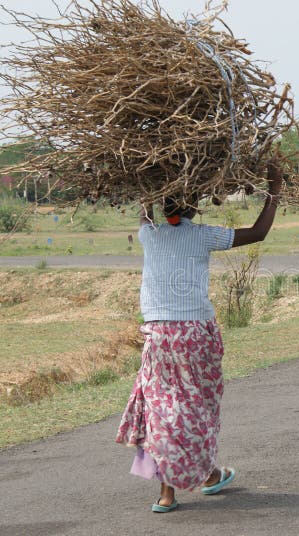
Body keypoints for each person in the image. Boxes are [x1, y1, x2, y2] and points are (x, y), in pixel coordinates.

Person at [115, 158, 283, 513]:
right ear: (194, 206)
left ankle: (171, 492)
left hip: (159, 335)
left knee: (163, 409)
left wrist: (146, 179)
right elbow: (258, 233)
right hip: (194, 335)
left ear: (163, 204)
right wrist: (275, 189)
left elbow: (144, 213)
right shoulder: (202, 234)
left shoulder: (150, 234)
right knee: (196, 408)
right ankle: (204, 473)